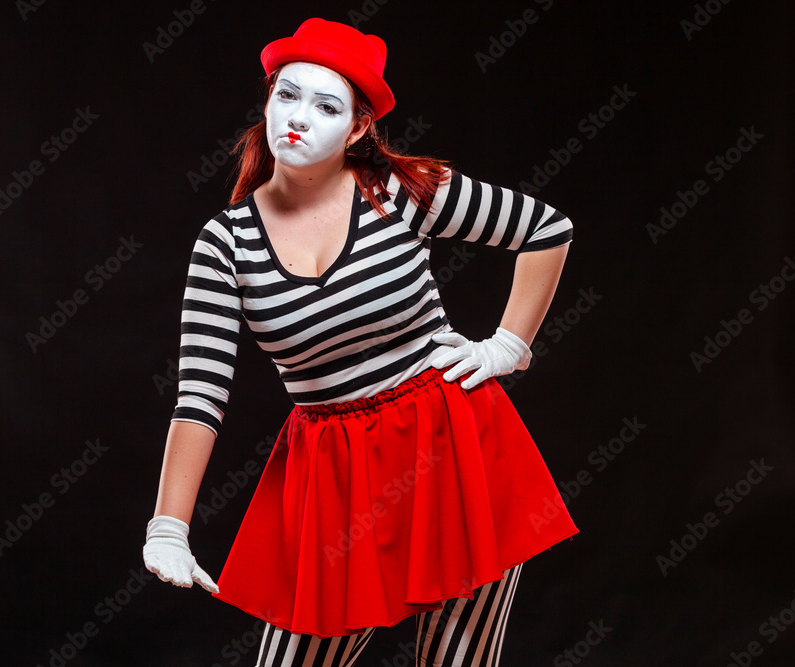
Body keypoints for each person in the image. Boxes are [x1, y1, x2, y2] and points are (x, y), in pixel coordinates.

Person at [144, 17, 579, 667]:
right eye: (287, 95)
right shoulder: (225, 244)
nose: (299, 117)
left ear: (357, 129)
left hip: (452, 446)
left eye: (327, 107)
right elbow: (200, 393)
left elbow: (546, 228)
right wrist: (169, 525)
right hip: (336, 476)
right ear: (268, 101)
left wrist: (506, 346)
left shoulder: (402, 192)